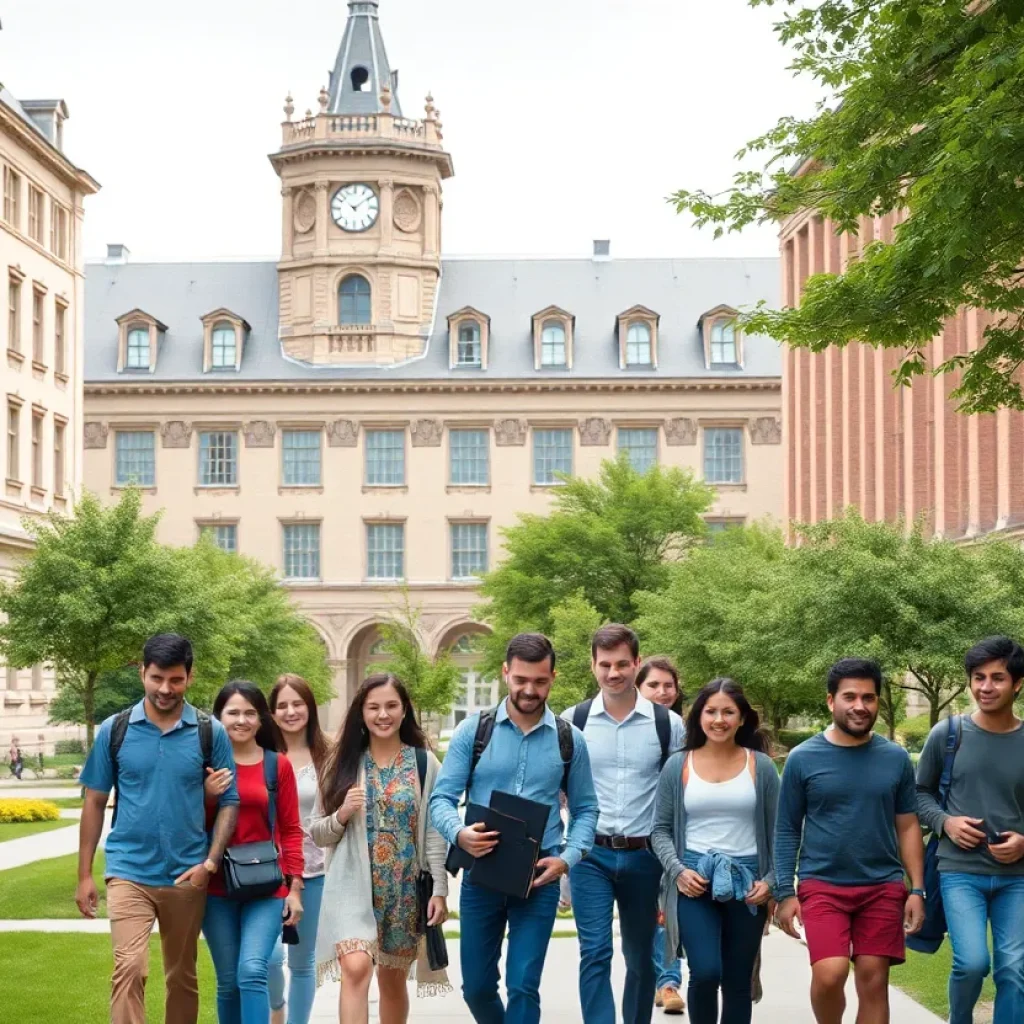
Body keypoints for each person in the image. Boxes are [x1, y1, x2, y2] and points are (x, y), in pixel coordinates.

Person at [430, 632, 599, 1024]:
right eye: (521, 679)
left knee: (523, 985)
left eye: (539, 681)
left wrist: (567, 859)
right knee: (477, 988)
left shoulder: (569, 740)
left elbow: (587, 809)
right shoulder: (474, 732)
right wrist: (460, 834)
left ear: (553, 677)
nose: (529, 690)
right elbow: (441, 799)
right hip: (482, 873)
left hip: (540, 876)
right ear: (505, 672)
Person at [76, 633, 240, 1024]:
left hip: (186, 873)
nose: (165, 689)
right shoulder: (114, 731)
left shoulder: (210, 732)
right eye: (157, 678)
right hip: (128, 870)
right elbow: (94, 802)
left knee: (181, 976)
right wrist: (84, 875)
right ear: (142, 673)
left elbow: (230, 802)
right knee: (129, 968)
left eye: (176, 679)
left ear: (190, 677)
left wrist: (209, 864)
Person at [775, 658, 926, 1024]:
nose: (860, 706)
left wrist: (917, 889)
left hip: (881, 886)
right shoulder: (802, 758)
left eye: (868, 698)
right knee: (830, 974)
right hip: (822, 884)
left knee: (873, 980)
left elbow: (908, 826)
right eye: (850, 697)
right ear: (831, 701)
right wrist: (784, 892)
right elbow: (786, 828)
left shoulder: (895, 758)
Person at [309, 673, 450, 1024]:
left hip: (403, 892)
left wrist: (439, 889)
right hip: (351, 886)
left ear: (404, 710)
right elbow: (318, 832)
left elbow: (435, 833)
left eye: (391, 706)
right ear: (361, 712)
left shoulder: (424, 763)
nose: (382, 714)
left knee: (392, 981)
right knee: (356, 967)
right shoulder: (340, 763)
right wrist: (342, 814)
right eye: (373, 707)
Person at [562, 625, 684, 1024]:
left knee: (641, 956)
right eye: (605, 664)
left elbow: (681, 795)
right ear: (593, 665)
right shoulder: (572, 722)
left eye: (621, 664)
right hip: (590, 856)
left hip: (645, 857)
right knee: (594, 952)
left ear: (636, 663)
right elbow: (555, 791)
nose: (613, 673)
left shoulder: (668, 725)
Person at [651, 678, 778, 1024]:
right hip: (693, 880)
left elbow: (780, 833)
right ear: (699, 716)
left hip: (748, 884)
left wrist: (770, 882)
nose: (719, 720)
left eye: (728, 712)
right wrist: (678, 871)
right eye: (711, 711)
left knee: (737, 980)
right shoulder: (678, 765)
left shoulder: (762, 767)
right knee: (706, 971)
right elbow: (659, 830)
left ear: (741, 718)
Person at [916, 636, 1024, 1024]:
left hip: (1017, 878)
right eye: (979, 677)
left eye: (998, 677)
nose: (986, 687)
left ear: (1018, 684)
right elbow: (918, 794)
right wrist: (945, 822)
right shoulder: (947, 734)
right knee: (972, 963)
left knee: (1014, 968)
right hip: (959, 872)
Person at [203, 680, 305, 1024]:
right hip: (216, 887)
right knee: (228, 982)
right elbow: (189, 825)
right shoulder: (203, 766)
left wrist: (294, 888)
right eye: (233, 712)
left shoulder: (277, 766)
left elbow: (291, 830)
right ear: (218, 718)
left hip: (265, 886)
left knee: (251, 971)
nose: (241, 720)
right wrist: (207, 795)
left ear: (261, 719)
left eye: (250, 713)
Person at [266, 675, 330, 1024]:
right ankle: (277, 1006)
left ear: (310, 707)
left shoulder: (329, 754)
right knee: (269, 958)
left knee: (302, 963)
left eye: (297, 703)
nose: (290, 712)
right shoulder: (261, 753)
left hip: (315, 871)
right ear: (272, 712)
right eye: (282, 705)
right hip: (266, 871)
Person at [637, 657, 687, 1016]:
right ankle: (656, 979)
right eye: (653, 685)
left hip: (674, 837)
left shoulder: (686, 730)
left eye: (669, 685)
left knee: (668, 912)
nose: (662, 692)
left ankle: (668, 982)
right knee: (646, 917)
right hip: (635, 838)